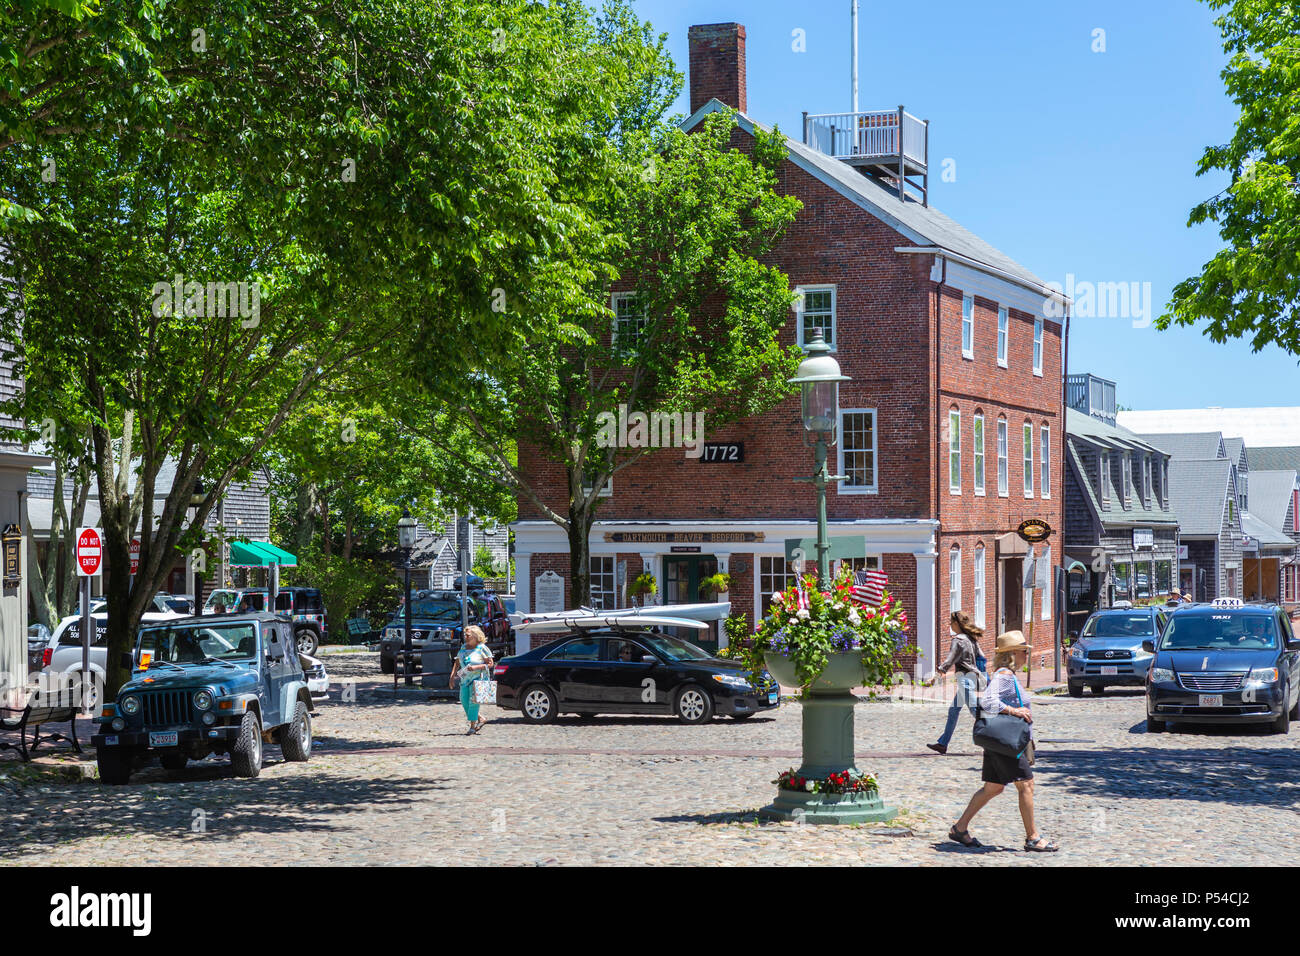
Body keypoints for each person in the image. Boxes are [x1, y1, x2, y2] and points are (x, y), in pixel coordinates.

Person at [949, 630, 1058, 852]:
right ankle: (1033, 838)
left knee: (993, 787)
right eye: (1023, 652)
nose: (1026, 656)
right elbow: (988, 701)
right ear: (1012, 654)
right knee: (1026, 784)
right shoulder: (1004, 675)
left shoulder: (1007, 675)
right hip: (1007, 742)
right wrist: (1015, 711)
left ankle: (959, 829)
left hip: (998, 740)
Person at [926, 611, 986, 755]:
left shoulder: (958, 640)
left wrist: (936, 676)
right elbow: (982, 657)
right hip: (972, 677)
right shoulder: (971, 639)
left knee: (976, 711)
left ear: (956, 624)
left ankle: (995, 740)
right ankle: (943, 744)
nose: (949, 624)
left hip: (965, 679)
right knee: (953, 711)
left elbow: (949, 660)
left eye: (950, 622)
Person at [450, 625, 494, 734]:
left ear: (475, 635)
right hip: (465, 679)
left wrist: (476, 667)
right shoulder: (463, 647)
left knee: (473, 702)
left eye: (468, 635)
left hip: (478, 679)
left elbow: (490, 663)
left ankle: (472, 727)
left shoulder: (482, 648)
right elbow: (457, 662)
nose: (465, 637)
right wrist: (452, 676)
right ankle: (480, 718)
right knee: (464, 701)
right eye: (465, 635)